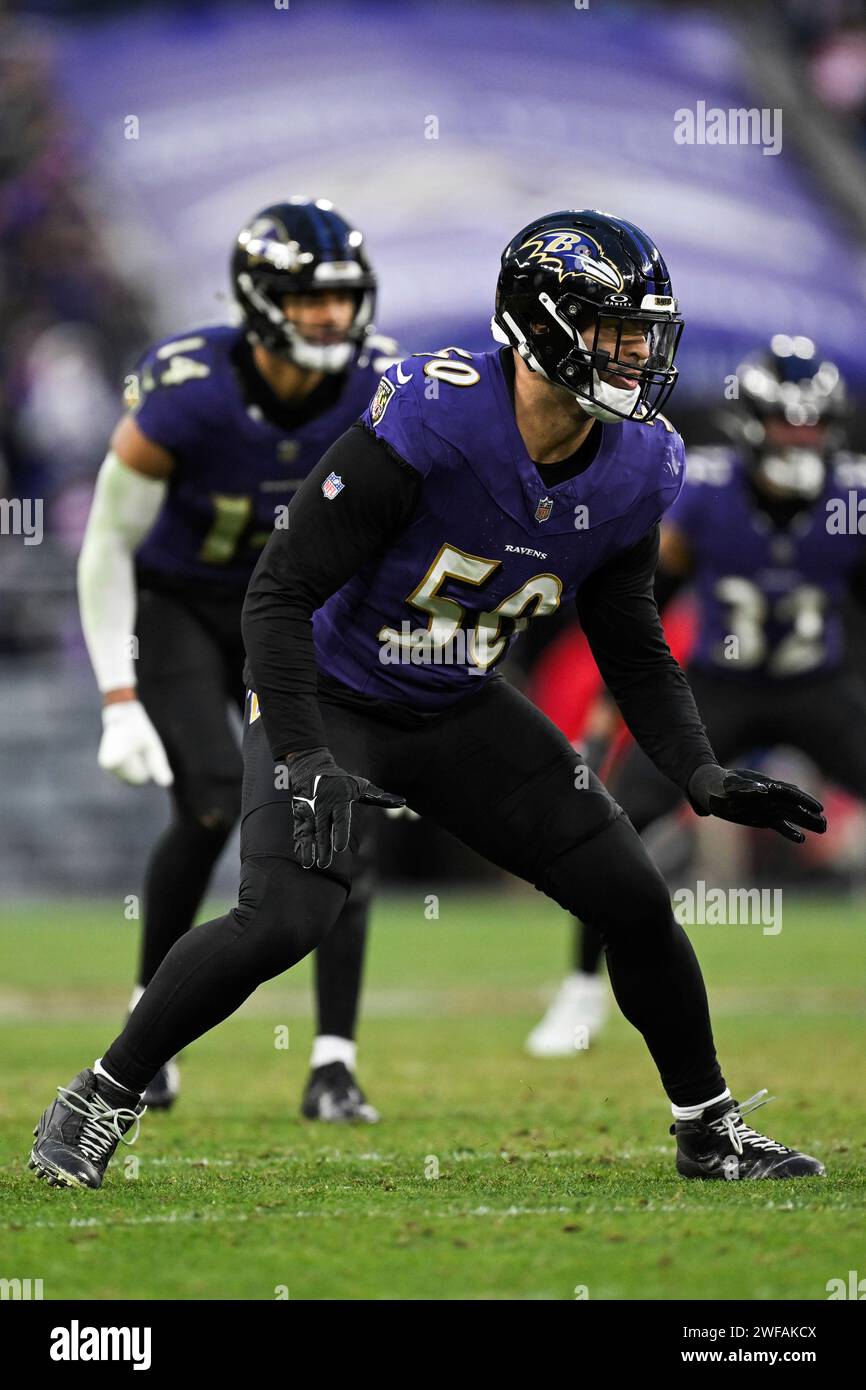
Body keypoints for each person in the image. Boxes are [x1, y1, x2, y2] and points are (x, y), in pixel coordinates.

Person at [32, 209, 827, 1190]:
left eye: (641, 333)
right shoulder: (436, 412)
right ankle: (98, 1096)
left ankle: (707, 1129)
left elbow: (630, 642)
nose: (633, 355)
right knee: (284, 916)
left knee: (630, 894)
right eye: (611, 329)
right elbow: (277, 593)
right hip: (333, 695)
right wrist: (302, 754)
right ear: (539, 326)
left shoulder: (639, 461)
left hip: (455, 698)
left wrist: (697, 771)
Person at [76, 197, 397, 1119]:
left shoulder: (386, 386)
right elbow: (105, 542)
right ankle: (151, 1027)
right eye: (307, 299)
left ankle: (332, 1061)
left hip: (297, 613)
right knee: (212, 798)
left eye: (342, 298)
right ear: (260, 301)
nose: (331, 318)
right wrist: (118, 694)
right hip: (182, 604)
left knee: (336, 815)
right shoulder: (188, 392)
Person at [527, 338, 866, 1056]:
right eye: (785, 423)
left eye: (811, 425)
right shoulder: (705, 493)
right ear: (754, 424)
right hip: (717, 689)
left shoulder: (853, 500)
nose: (799, 440)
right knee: (613, 819)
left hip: (820, 687)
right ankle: (582, 988)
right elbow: (642, 610)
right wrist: (605, 708)